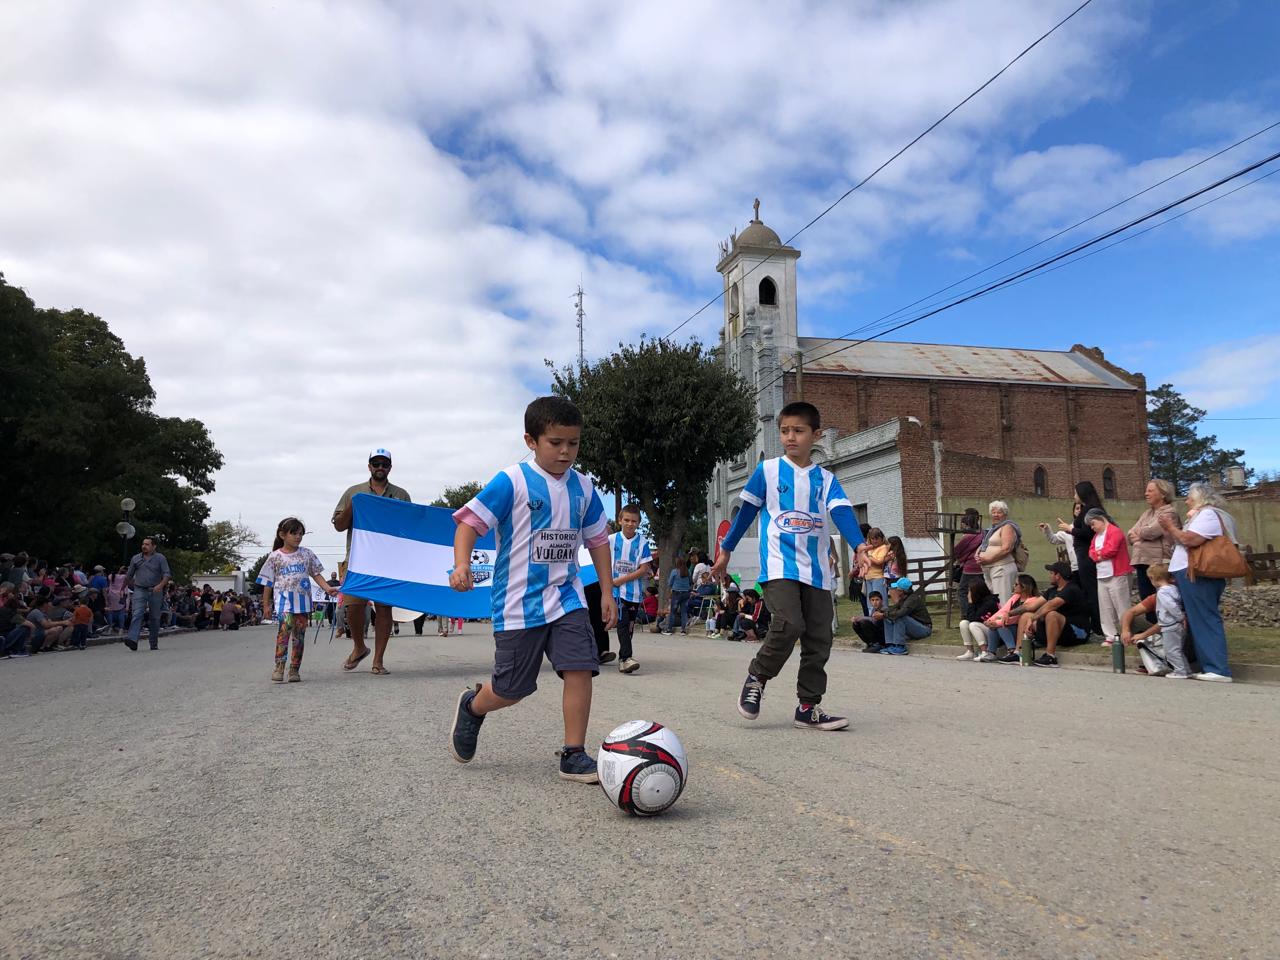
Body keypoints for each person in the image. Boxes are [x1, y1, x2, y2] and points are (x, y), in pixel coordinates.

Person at [448, 395, 616, 783]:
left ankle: (573, 754)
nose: (565, 452)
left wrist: (606, 593)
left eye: (573, 443)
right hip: (517, 602)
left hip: (566, 596)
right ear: (531, 441)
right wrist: (461, 564)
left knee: (580, 667)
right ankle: (474, 707)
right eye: (555, 443)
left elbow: (598, 542)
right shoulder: (512, 481)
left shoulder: (585, 488)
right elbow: (469, 524)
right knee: (512, 689)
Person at [711, 400, 866, 731]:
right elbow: (746, 514)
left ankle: (808, 708)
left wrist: (860, 546)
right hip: (780, 566)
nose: (790, 437)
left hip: (818, 571)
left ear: (816, 435)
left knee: (818, 638)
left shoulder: (825, 480)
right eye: (784, 431)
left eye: (798, 431)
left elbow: (842, 513)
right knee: (789, 623)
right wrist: (726, 550)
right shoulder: (767, 472)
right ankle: (757, 676)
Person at [332, 448, 411, 675]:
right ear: (369, 466)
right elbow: (338, 525)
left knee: (384, 608)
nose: (380, 468)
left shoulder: (401, 494)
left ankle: (378, 660)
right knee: (353, 606)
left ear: (390, 467)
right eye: (375, 463)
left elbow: (409, 528)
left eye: (384, 464)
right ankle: (359, 647)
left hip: (388, 561)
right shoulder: (354, 492)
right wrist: (354, 506)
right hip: (359, 560)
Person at [1161, 481, 1238, 683]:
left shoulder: (1209, 514)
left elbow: (1190, 540)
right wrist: (1170, 531)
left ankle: (1218, 668)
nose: (1186, 502)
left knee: (1204, 618)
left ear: (1200, 499)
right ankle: (1206, 665)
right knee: (1197, 620)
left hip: (1197, 573)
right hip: (1189, 573)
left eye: (1189, 498)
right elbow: (1182, 540)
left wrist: (1171, 527)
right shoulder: (1202, 515)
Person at [257, 517, 339, 683]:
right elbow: (267, 583)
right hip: (284, 602)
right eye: (293, 533)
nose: (298, 537)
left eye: (301, 533)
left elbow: (316, 574)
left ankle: (294, 668)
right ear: (282, 535)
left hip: (302, 602)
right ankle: (279, 666)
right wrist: (266, 605)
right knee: (284, 631)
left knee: (299, 636)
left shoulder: (306, 554)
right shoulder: (275, 557)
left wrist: (327, 588)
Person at [1123, 563, 1192, 679]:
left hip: (1170, 625)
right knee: (1177, 650)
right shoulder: (1174, 589)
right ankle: (1186, 669)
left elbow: (1171, 606)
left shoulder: (1162, 592)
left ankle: (1180, 671)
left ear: (1153, 579)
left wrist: (1180, 617)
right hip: (1175, 625)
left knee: (1171, 651)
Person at [1020, 562, 1092, 667]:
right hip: (1059, 632)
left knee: (1051, 614)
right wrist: (1008, 614)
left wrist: (1033, 618)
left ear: (1058, 576)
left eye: (1051, 573)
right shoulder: (1051, 591)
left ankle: (1050, 656)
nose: (1049, 576)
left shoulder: (1071, 588)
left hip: (1077, 632)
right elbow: (1031, 606)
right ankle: (1019, 652)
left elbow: (1052, 605)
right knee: (1026, 615)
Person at [1058, 481, 1106, 636]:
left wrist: (1070, 529)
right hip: (1082, 554)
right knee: (1088, 591)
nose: (1074, 496)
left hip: (1087, 554)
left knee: (1092, 591)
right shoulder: (1086, 510)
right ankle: (1095, 625)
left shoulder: (1092, 511)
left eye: (1075, 492)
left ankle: (1098, 627)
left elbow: (1088, 533)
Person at [610, 502, 652, 672]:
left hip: (633, 592)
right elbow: (603, 560)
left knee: (629, 625)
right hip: (615, 591)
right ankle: (626, 657)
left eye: (633, 521)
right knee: (622, 621)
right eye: (626, 520)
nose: (630, 524)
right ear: (620, 520)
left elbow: (644, 568)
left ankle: (623, 657)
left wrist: (623, 579)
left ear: (638, 523)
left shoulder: (642, 543)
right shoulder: (611, 540)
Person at [1127, 479, 1180, 613]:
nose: (1146, 494)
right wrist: (1140, 534)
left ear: (1162, 494)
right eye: (1146, 490)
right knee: (1146, 599)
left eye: (1150, 491)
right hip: (1142, 561)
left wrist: (1141, 533)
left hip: (1158, 563)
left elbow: (1151, 532)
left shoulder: (1169, 513)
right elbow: (1130, 534)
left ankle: (1165, 630)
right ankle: (1154, 629)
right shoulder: (1146, 513)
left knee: (1160, 600)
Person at [1085, 507, 1133, 646]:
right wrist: (1098, 554)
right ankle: (1110, 635)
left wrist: (1098, 554)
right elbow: (1091, 552)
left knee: (1121, 605)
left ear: (1101, 519)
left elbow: (1111, 550)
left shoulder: (1115, 531)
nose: (1092, 527)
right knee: (1105, 607)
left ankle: (1125, 632)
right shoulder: (1096, 537)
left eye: (1093, 524)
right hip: (1102, 575)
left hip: (1117, 573)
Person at [124, 536, 171, 652]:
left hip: (155, 589)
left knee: (154, 617)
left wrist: (160, 585)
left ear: (154, 546)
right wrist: (122, 588)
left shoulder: (160, 558)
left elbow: (167, 574)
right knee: (137, 613)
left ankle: (153, 643)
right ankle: (132, 639)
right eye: (143, 544)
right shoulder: (136, 558)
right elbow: (129, 575)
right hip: (140, 589)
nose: (144, 546)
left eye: (147, 544)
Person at [976, 501, 1020, 603]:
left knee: (1002, 600)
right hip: (989, 568)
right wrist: (977, 553)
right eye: (993, 512)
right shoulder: (992, 529)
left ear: (1005, 514)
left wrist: (989, 559)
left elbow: (1006, 548)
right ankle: (997, 619)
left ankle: (1003, 619)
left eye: (999, 512)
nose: (995, 515)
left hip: (1001, 568)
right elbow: (985, 544)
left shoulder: (1007, 527)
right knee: (994, 601)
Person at [879, 577, 931, 655]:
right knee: (887, 618)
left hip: (924, 629)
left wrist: (884, 614)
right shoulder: (904, 598)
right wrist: (882, 611)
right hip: (914, 627)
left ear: (902, 591)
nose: (895, 590)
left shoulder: (912, 599)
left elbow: (901, 613)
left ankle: (900, 647)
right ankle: (891, 644)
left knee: (900, 617)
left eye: (897, 589)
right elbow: (894, 608)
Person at [952, 509, 985, 620]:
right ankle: (981, 612)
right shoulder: (983, 533)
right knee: (981, 590)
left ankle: (967, 615)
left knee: (962, 590)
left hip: (970, 567)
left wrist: (959, 558)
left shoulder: (968, 537)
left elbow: (956, 551)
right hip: (982, 566)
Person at [956, 579, 1000, 660]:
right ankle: (970, 651)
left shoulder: (989, 602)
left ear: (977, 592)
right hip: (983, 627)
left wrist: (970, 602)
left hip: (994, 632)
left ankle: (985, 652)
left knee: (973, 624)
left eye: (970, 591)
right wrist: (971, 603)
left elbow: (974, 619)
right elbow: (968, 617)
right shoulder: (977, 601)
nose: (968, 593)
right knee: (963, 623)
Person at [1037, 503, 1079, 570]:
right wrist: (1047, 529)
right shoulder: (1068, 528)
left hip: (1089, 565)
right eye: (1077, 508)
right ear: (1073, 511)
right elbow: (1053, 539)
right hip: (1075, 567)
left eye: (1082, 508)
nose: (1079, 510)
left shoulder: (1090, 528)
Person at [664, 554, 691, 637]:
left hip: (677, 593)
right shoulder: (688, 571)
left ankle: (669, 629)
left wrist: (670, 591)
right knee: (684, 612)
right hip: (686, 593)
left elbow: (670, 583)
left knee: (673, 612)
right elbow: (690, 581)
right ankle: (683, 630)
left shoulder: (675, 571)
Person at [863, 528, 890, 606]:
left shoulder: (883, 547)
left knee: (880, 602)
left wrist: (868, 556)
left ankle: (883, 617)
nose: (874, 541)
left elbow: (879, 562)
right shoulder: (870, 548)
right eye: (872, 539)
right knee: (870, 603)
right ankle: (872, 618)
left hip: (878, 577)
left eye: (877, 538)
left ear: (882, 538)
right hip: (868, 577)